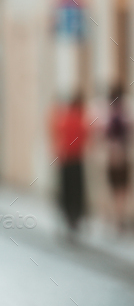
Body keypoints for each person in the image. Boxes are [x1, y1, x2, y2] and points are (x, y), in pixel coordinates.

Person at [49, 93, 89, 233]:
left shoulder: (64, 119)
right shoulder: (80, 119)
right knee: (76, 191)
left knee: (65, 190)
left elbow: (56, 134)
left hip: (65, 159)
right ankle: (75, 217)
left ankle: (67, 216)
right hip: (76, 159)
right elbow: (86, 137)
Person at [104, 85, 131, 230]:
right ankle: (119, 217)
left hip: (113, 156)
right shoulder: (124, 115)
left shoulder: (110, 116)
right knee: (121, 189)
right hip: (122, 155)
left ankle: (117, 217)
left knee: (115, 189)